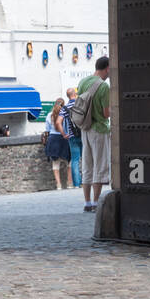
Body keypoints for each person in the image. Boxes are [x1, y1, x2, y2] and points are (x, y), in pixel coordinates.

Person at [76, 57, 110, 213]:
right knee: (100, 166)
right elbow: (105, 113)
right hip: (99, 129)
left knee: (87, 165)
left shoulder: (83, 82)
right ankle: (96, 202)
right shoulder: (104, 87)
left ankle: (87, 202)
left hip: (85, 128)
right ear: (107, 68)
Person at [44, 97, 72, 189]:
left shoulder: (49, 115)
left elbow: (47, 129)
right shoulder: (65, 114)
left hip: (53, 139)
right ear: (63, 105)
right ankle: (69, 183)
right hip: (64, 138)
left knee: (55, 163)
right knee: (69, 162)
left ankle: (58, 185)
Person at [62, 87, 82, 189]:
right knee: (86, 158)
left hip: (72, 136)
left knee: (75, 160)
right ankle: (87, 181)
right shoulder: (80, 104)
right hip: (83, 134)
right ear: (75, 94)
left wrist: (64, 133)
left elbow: (58, 122)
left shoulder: (65, 108)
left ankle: (77, 184)